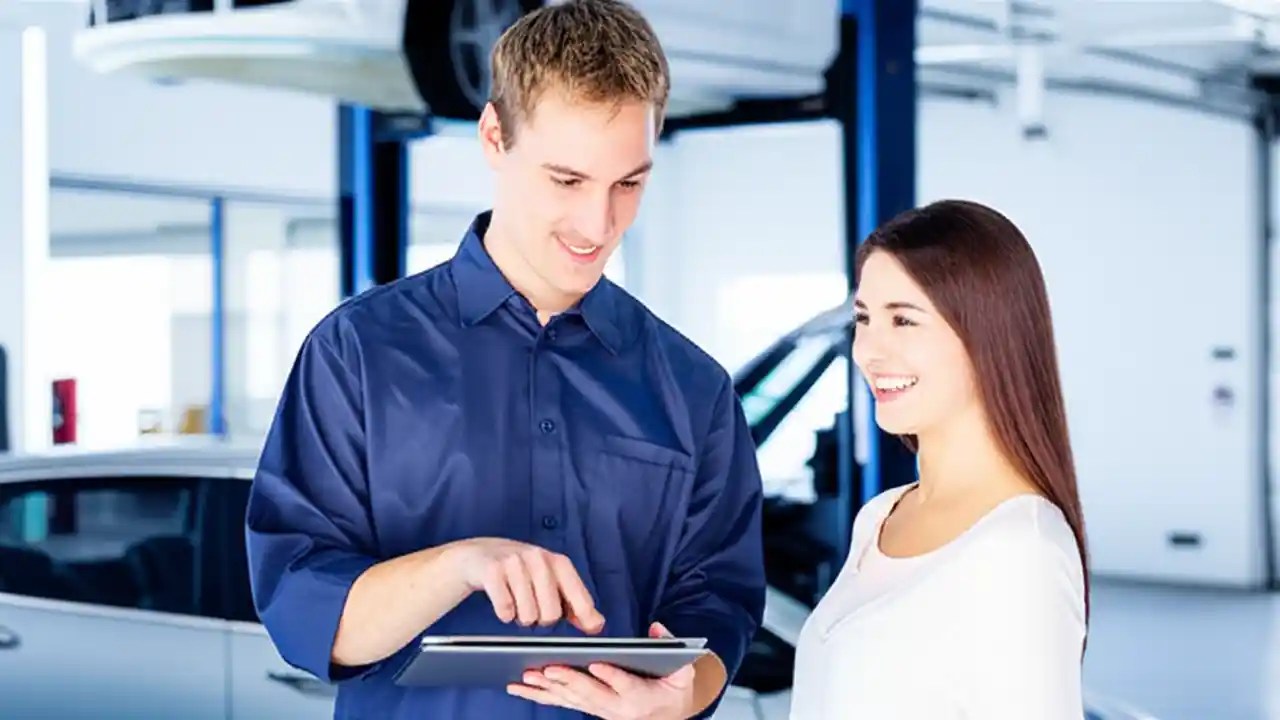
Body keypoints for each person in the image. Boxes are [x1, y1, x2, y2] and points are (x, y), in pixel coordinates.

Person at [244, 2, 766, 719]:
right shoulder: (358, 354)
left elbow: (721, 608)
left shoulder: (694, 389)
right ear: (494, 136)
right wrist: (459, 565)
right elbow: (301, 610)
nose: (598, 224)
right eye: (567, 181)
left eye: (629, 184)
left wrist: (682, 698)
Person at [789, 199, 1090, 720]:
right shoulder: (879, 518)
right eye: (864, 319)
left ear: (986, 336)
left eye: (903, 320)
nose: (869, 350)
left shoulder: (1021, 549)